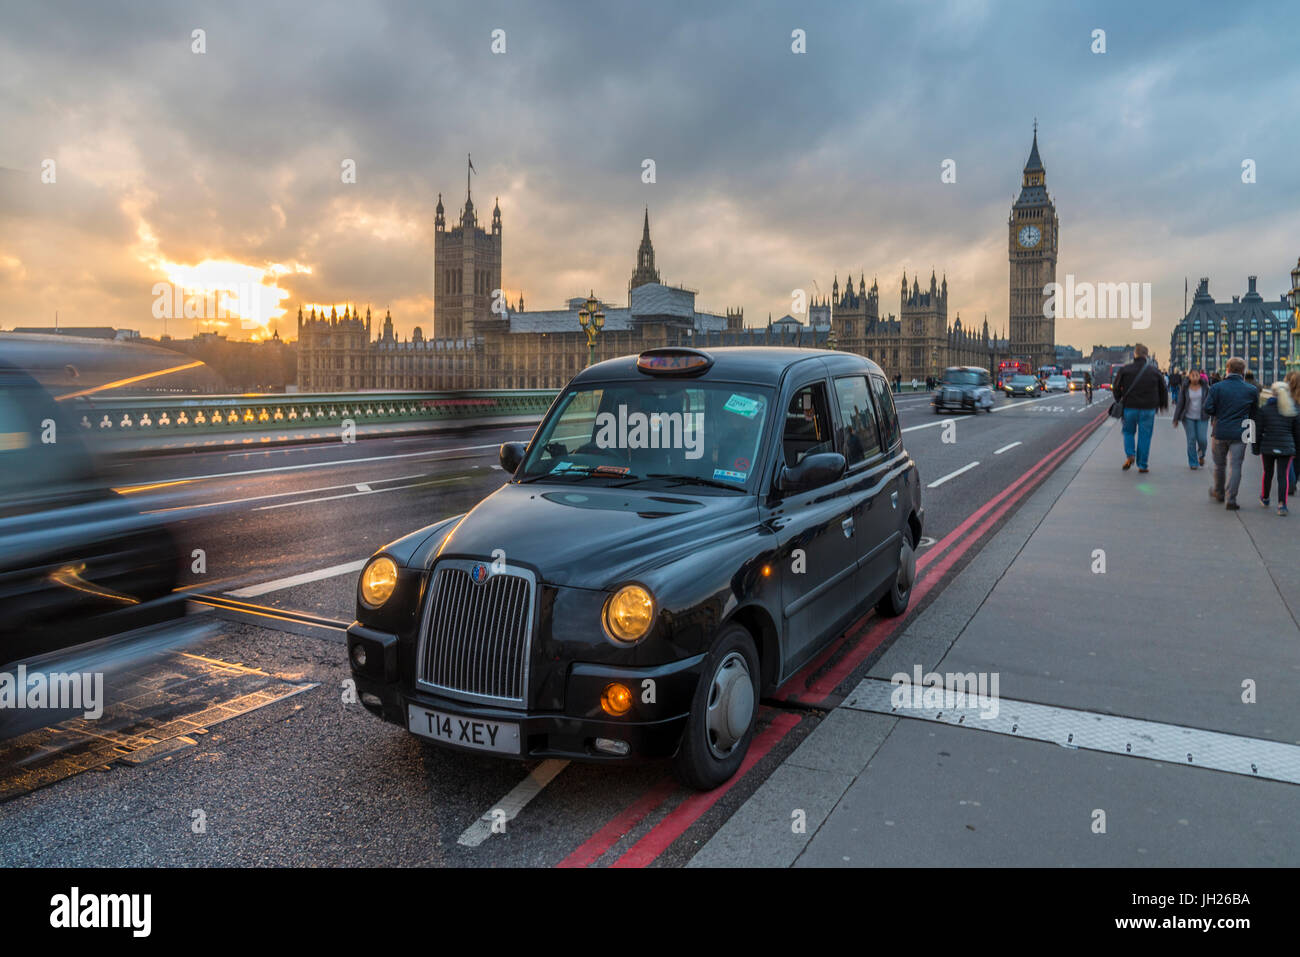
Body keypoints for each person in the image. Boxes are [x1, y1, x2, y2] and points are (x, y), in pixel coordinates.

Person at [1204, 356, 1258, 511]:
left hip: (1220, 430)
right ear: (1243, 371)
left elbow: (1207, 408)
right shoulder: (1251, 390)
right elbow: (1254, 414)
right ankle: (1231, 499)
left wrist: (1218, 413)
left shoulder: (1216, 388)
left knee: (1219, 465)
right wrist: (1252, 437)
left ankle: (1219, 492)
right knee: (1236, 466)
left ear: (1227, 370)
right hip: (1241, 432)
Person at [1111, 343, 1168, 473]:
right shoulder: (1154, 371)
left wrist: (1119, 399)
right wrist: (1162, 404)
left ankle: (1130, 454)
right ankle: (1142, 465)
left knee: (1128, 432)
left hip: (1130, 407)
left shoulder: (1125, 370)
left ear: (1134, 354)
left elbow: (1116, 387)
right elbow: (1163, 389)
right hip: (1148, 409)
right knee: (1145, 436)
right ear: (1146, 355)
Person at [1252, 380, 1299, 516]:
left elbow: (1258, 430)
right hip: (1286, 447)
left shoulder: (1264, 409)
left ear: (1272, 393)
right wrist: (1296, 449)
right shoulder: (1292, 410)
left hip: (1268, 446)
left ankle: (1265, 498)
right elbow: (1297, 433)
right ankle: (1282, 505)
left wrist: (1256, 448)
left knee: (1268, 473)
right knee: (1282, 475)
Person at [1171, 367, 1209, 469]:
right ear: (1189, 376)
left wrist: (1214, 417)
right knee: (1191, 439)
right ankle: (1193, 462)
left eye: (1197, 375)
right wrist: (1176, 419)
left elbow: (1211, 402)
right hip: (1188, 418)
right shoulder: (1185, 387)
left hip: (1202, 417)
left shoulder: (1205, 387)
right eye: (1193, 375)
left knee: (1202, 439)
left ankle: (1201, 454)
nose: (1195, 377)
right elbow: (1180, 403)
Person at [1288, 370, 1300, 496]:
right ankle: (1294, 480)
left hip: (1290, 428)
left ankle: (1290, 482)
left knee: (1290, 456)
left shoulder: (1287, 396)